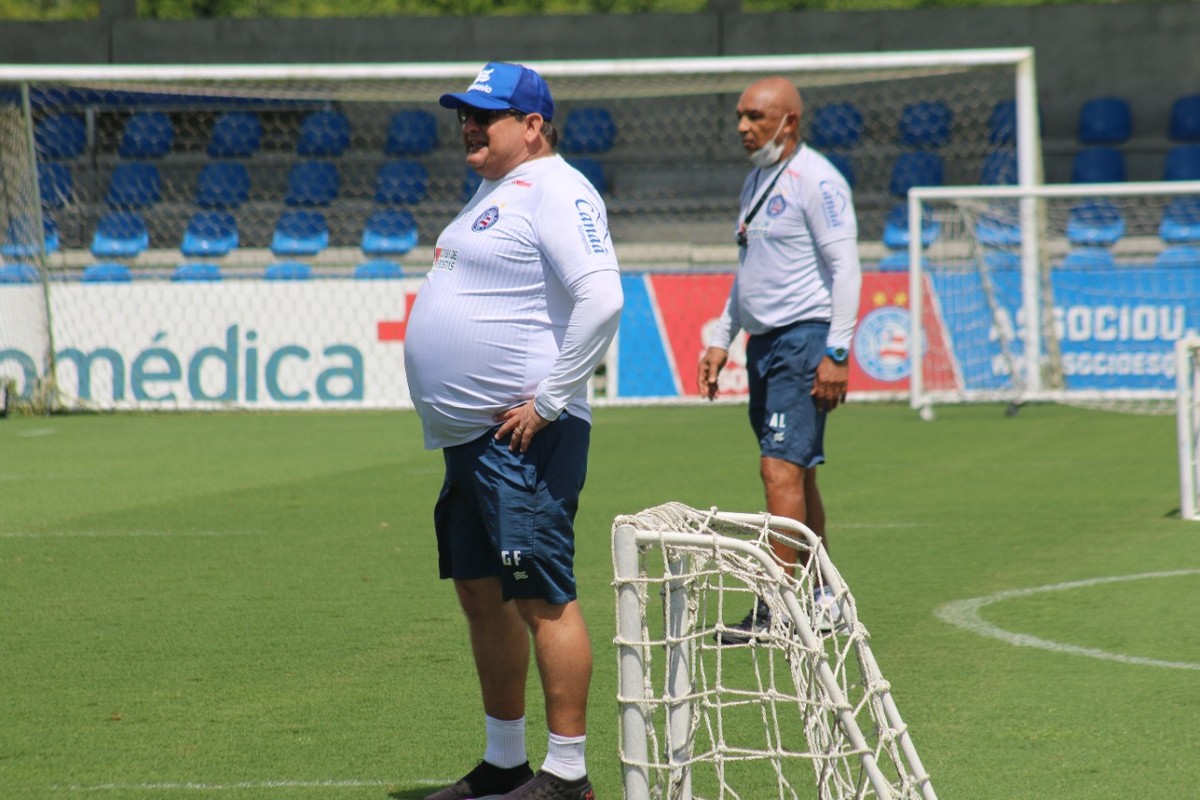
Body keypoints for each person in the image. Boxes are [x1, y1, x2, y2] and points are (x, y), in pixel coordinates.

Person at [404, 61, 622, 800]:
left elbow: (602, 300)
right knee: (480, 592)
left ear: (533, 126)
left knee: (540, 596)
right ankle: (504, 765)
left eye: (485, 114)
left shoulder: (559, 187)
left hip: (525, 440)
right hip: (472, 441)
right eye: (463, 113)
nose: (468, 123)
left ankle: (567, 776)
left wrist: (551, 401)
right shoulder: (496, 191)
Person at [697, 76, 863, 645]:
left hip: (804, 339)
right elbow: (749, 274)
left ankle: (778, 607)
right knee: (797, 469)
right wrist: (723, 338)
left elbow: (847, 269)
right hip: (764, 342)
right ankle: (822, 596)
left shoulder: (818, 181)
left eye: (756, 117)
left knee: (779, 470)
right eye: (740, 116)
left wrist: (837, 351)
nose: (743, 127)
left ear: (788, 121)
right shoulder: (756, 181)